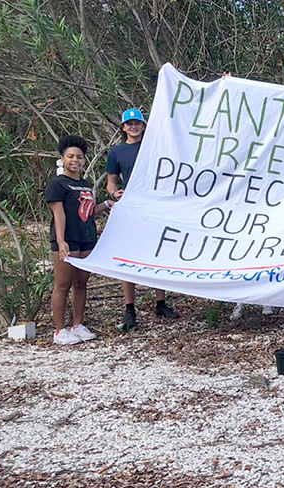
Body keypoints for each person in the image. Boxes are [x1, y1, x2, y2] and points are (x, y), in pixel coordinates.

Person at [105, 108, 180, 331]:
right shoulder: (116, 152)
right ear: (123, 128)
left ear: (144, 126)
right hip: (131, 209)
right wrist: (113, 193)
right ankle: (130, 309)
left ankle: (160, 302)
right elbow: (111, 181)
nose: (134, 127)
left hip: (155, 207)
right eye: (130, 124)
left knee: (156, 253)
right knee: (128, 257)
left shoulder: (154, 148)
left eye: (137, 123)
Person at [47, 135, 114, 344]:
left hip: (87, 239)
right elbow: (59, 215)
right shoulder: (57, 184)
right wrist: (61, 242)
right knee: (62, 284)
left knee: (81, 282)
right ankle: (60, 330)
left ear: (84, 160)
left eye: (79, 157)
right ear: (62, 159)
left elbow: (88, 212)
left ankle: (78, 324)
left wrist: (109, 203)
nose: (75, 160)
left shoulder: (85, 184)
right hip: (67, 240)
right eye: (70, 157)